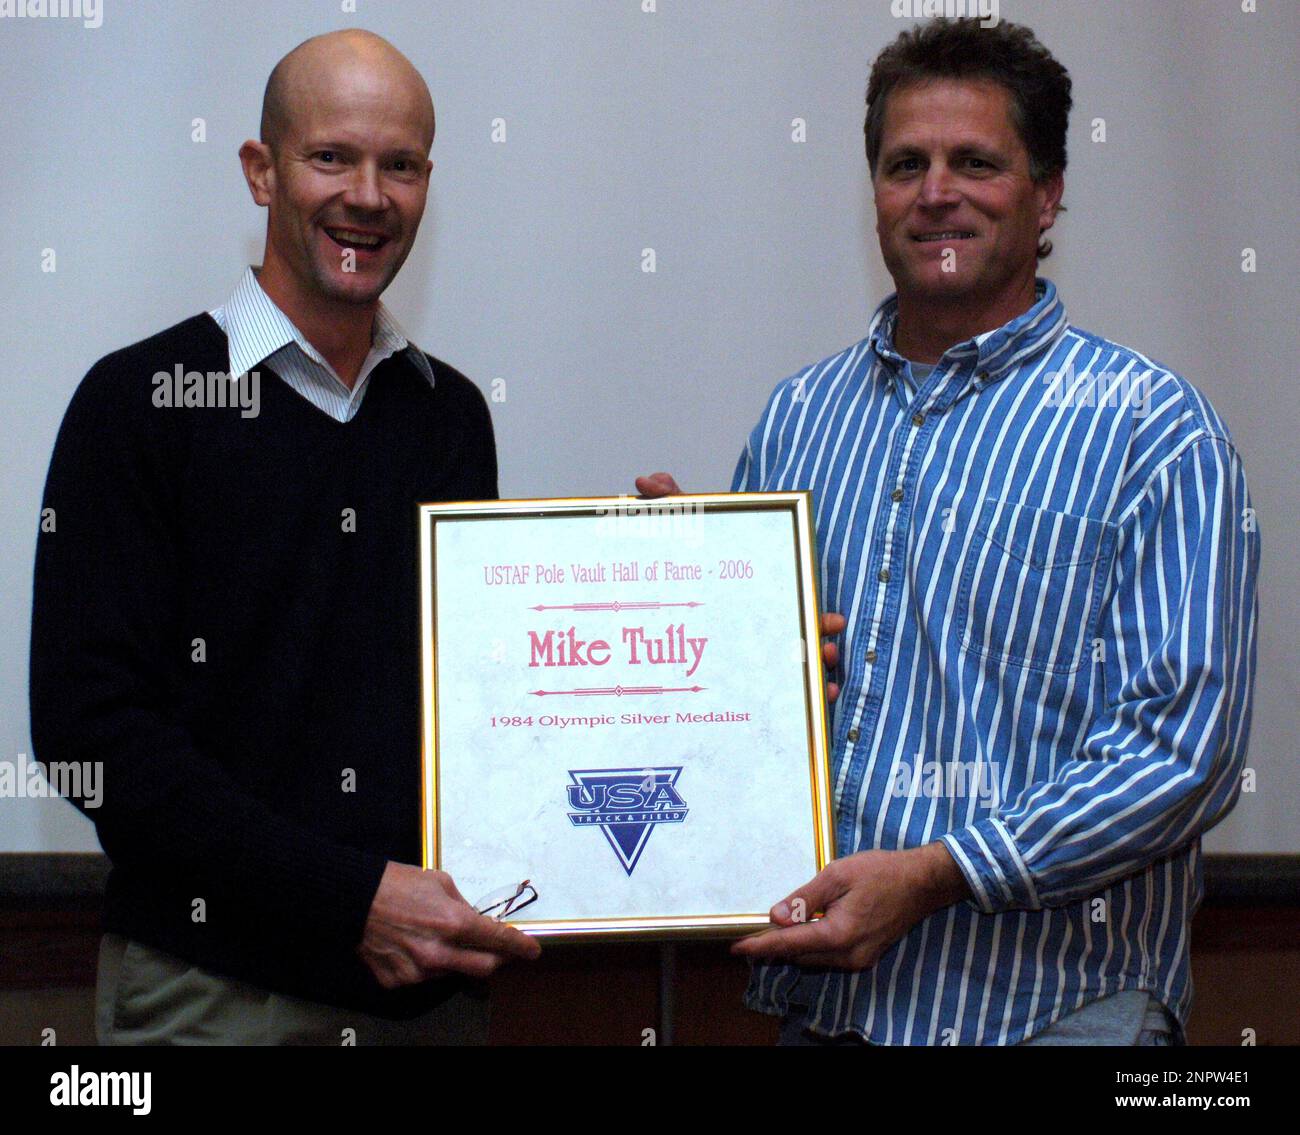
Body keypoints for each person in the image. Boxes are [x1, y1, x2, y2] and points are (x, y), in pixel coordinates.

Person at [638, 17, 1258, 1046]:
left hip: (1056, 1014)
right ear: (873, 189)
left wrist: (940, 874)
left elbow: (1180, 750)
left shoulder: (1152, 429)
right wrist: (678, 605)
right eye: (904, 164)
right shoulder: (798, 418)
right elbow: (766, 702)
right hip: (830, 1012)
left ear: (1047, 193)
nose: (936, 191)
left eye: (977, 162)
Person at [29, 29, 539, 1046]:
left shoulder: (450, 419)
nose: (367, 194)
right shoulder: (137, 405)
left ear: (428, 183)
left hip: (427, 1003)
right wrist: (349, 897)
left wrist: (694, 616)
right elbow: (94, 737)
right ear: (261, 171)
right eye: (330, 157)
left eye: (399, 165)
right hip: (212, 994)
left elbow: (483, 702)